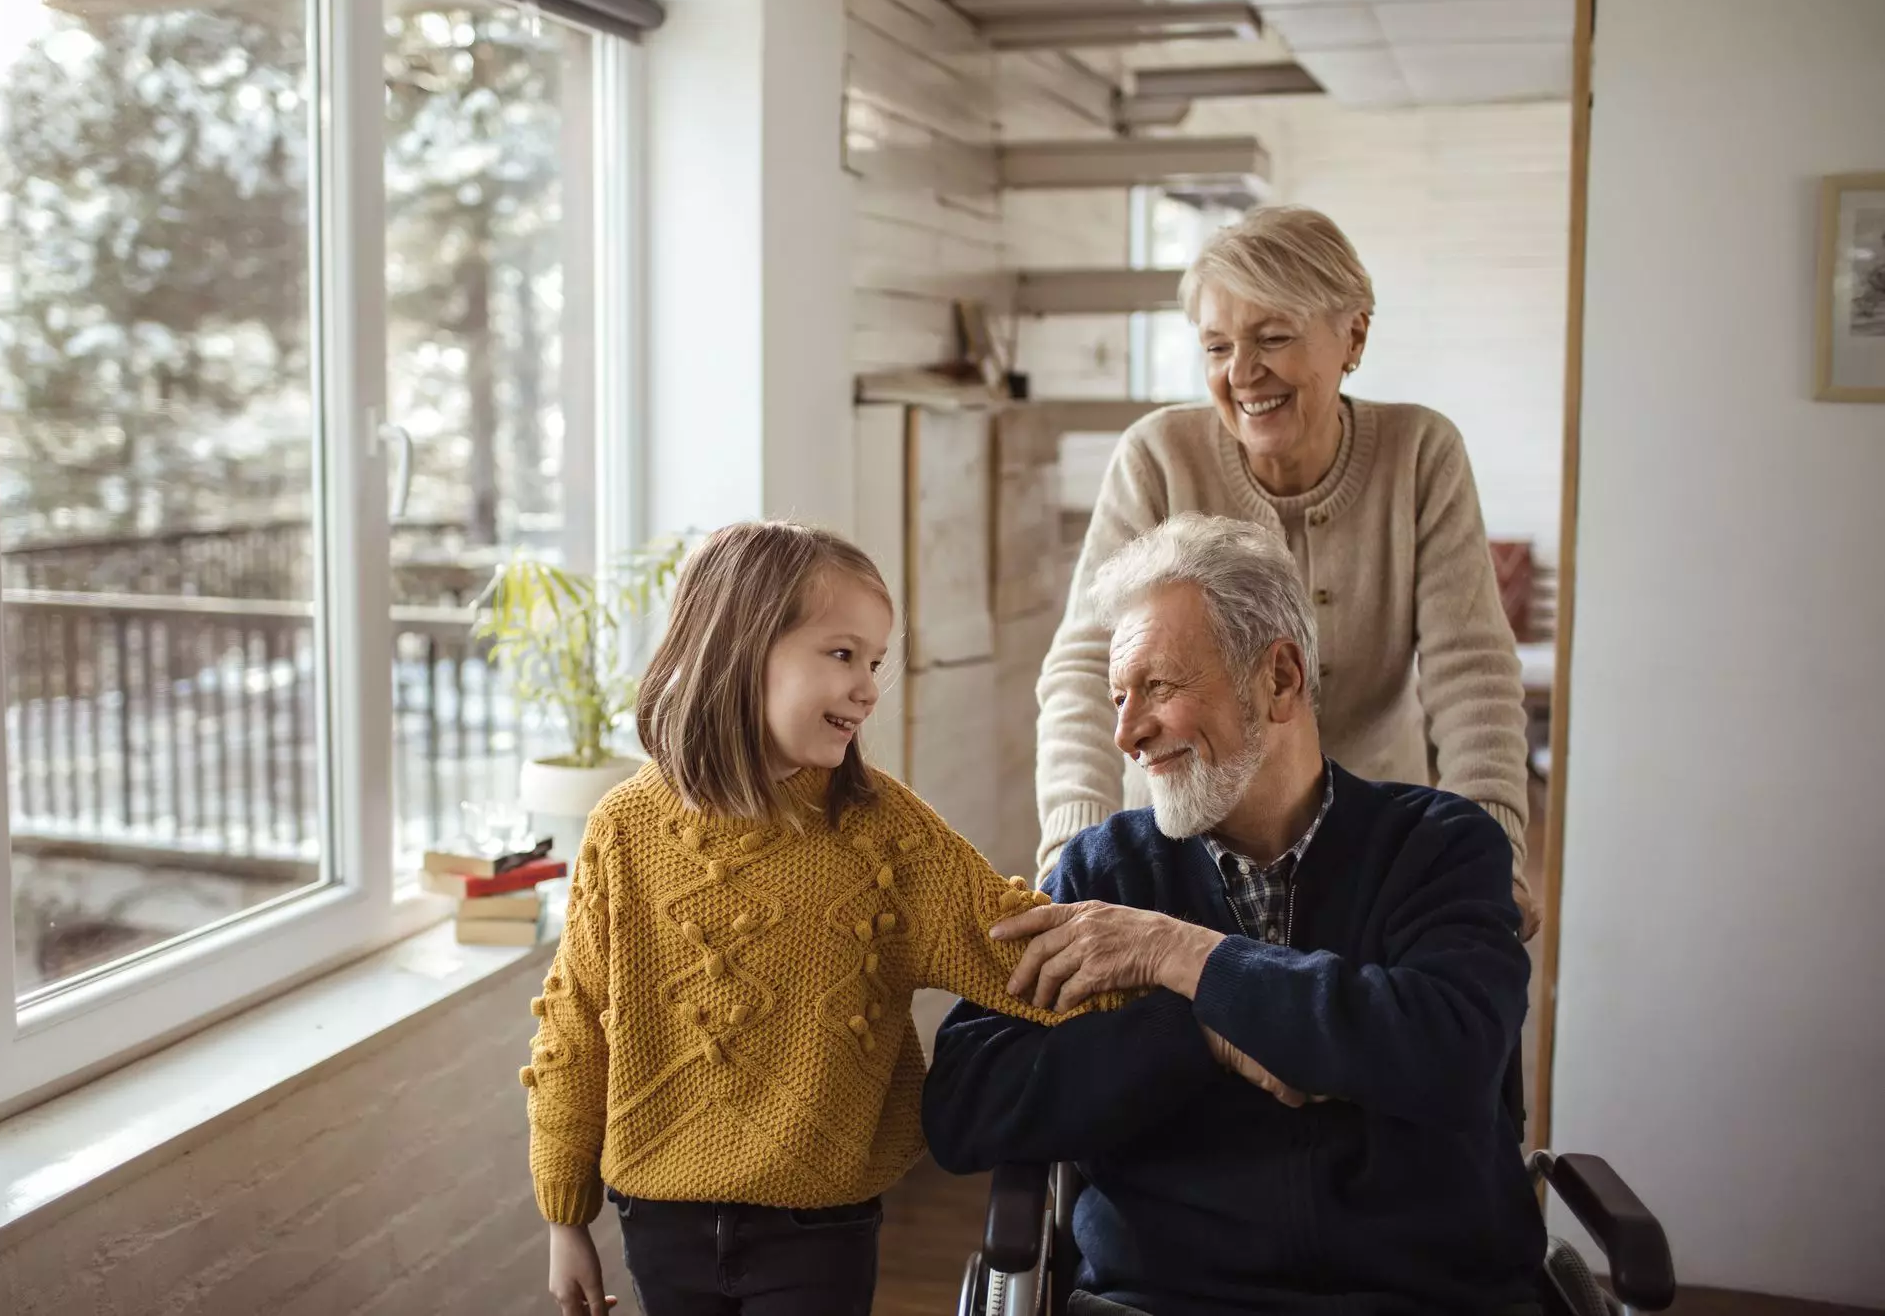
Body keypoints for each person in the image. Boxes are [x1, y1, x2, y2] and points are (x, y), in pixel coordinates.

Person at [926, 514, 1544, 1316]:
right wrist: (1197, 1034)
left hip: (1427, 1297)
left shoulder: (1440, 844)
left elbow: (1450, 1056)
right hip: (1164, 1299)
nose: (1125, 733)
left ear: (1279, 679)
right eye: (1117, 697)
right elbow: (964, 1106)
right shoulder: (1103, 873)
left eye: (1158, 687)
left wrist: (1181, 958)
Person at [525, 522, 1100, 1316]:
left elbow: (1022, 954)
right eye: (841, 654)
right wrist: (565, 1218)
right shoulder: (623, 829)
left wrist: (1193, 979)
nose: (868, 686)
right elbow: (573, 1026)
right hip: (655, 1223)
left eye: (873, 661)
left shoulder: (887, 836)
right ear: (742, 647)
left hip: (818, 1233)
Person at [1036, 205, 1540, 935]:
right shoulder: (1158, 456)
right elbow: (1086, 666)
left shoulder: (1421, 454)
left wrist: (1491, 860)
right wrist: (1068, 853)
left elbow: (1472, 673)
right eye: (1216, 347)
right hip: (1185, 847)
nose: (1242, 374)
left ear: (1353, 336)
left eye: (1272, 338)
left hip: (1371, 850)